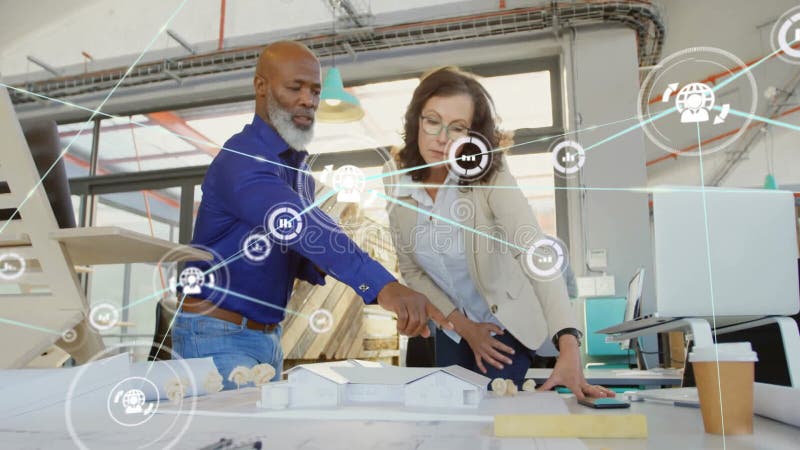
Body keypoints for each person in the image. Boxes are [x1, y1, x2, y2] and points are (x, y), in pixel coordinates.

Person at [172, 41, 450, 390]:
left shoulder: (298, 170)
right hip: (217, 336)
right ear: (261, 86)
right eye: (295, 87)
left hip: (266, 336)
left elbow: (296, 244)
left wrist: (318, 261)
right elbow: (300, 227)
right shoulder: (243, 158)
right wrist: (383, 286)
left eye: (315, 91)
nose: (308, 100)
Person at [386, 66, 613, 399]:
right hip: (454, 327)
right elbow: (412, 271)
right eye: (432, 121)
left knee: (498, 411)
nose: (441, 138)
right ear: (415, 120)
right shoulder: (396, 183)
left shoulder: (489, 174)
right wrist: (466, 329)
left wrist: (568, 344)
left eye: (457, 128)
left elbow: (533, 250)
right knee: (456, 415)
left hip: (507, 323)